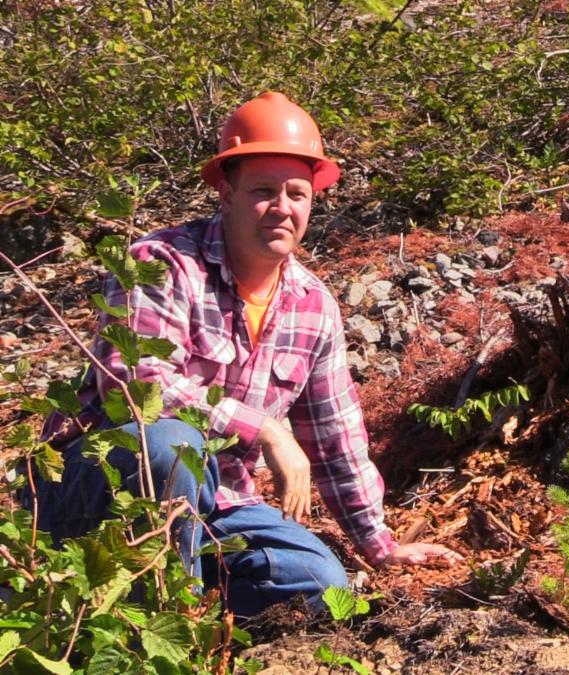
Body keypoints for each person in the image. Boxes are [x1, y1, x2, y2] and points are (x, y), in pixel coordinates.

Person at [34, 91, 461, 616]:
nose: (283, 208)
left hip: (222, 506)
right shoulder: (161, 264)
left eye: (297, 194)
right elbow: (135, 387)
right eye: (263, 191)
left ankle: (179, 598)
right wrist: (265, 428)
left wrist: (380, 545)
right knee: (168, 443)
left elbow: (336, 438)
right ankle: (149, 629)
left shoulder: (313, 305)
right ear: (226, 193)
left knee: (320, 585)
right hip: (106, 492)